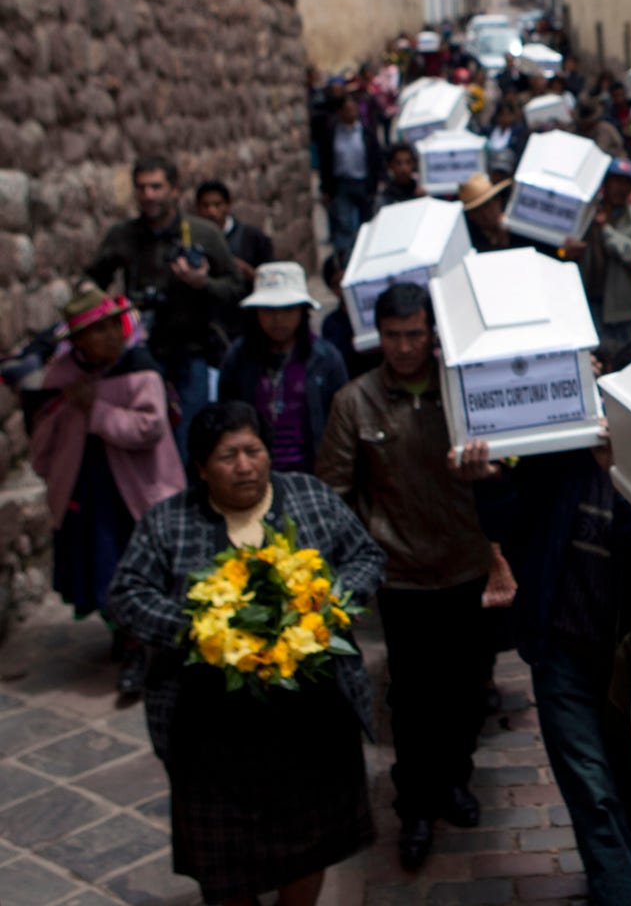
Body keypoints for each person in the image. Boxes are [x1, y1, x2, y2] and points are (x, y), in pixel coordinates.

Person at [106, 401, 383, 906]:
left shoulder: (310, 498)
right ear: (200, 469)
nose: (245, 465)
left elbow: (365, 555)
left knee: (310, 846)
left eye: (253, 450)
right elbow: (127, 595)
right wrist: (197, 630)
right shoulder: (168, 523)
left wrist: (329, 603)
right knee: (225, 869)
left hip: (310, 724)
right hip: (212, 733)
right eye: (227, 455)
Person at [315, 283, 495, 869]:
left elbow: (510, 469)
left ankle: (455, 780)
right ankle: (414, 806)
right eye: (393, 336)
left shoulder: (463, 392)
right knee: (414, 698)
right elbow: (334, 492)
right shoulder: (354, 402)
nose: (404, 346)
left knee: (467, 688)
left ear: (433, 333)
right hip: (401, 578)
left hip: (466, 565)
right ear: (378, 336)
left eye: (414, 334)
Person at [464, 431, 631, 904]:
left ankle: (611, 873)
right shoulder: (556, 453)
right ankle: (626, 895)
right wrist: (490, 483)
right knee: (590, 789)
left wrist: (623, 476)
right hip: (562, 652)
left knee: (624, 781)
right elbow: (509, 524)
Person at [30, 286, 186, 695]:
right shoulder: (63, 377)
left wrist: (95, 409)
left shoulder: (140, 368)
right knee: (98, 570)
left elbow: (149, 428)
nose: (108, 337)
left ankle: (138, 649)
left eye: (110, 328)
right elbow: (47, 428)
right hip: (89, 494)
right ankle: (124, 635)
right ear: (78, 341)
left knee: (133, 570)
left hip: (134, 494)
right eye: (94, 332)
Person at [87, 154, 247, 459]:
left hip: (193, 351)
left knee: (191, 440)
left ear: (174, 190)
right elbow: (92, 281)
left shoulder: (202, 234)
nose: (149, 195)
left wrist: (202, 284)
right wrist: (108, 308)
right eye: (142, 188)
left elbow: (236, 289)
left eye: (156, 187)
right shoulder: (123, 237)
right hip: (142, 353)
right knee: (147, 441)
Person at [216, 262, 348, 474]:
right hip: (255, 474)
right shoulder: (238, 358)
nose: (278, 320)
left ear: (302, 312)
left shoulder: (326, 359)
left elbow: (341, 423)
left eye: (288, 310)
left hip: (312, 472)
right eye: (269, 310)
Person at [577, 159, 631, 347]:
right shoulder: (587, 212)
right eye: (616, 182)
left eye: (627, 183)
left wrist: (606, 230)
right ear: (605, 183)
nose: (621, 188)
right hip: (588, 302)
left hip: (624, 307)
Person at [317, 94, 382, 245]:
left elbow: (375, 157)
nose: (352, 113)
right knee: (344, 223)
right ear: (340, 112)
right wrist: (325, 188)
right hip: (342, 184)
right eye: (347, 110)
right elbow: (325, 161)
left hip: (363, 183)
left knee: (366, 223)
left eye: (354, 109)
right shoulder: (332, 133)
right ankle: (345, 257)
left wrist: (377, 180)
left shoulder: (366, 132)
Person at [194, 180, 273, 283]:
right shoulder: (194, 239)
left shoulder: (253, 238)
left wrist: (251, 274)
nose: (211, 211)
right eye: (205, 206)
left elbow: (270, 279)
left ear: (228, 205)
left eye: (217, 205)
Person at [318, 250, 379, 379]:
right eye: (337, 284)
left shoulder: (380, 309)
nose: (344, 287)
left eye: (347, 279)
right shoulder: (332, 324)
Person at [459, 171, 536, 254]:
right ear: (470, 216)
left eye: (487, 205)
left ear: (498, 200)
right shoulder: (469, 242)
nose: (484, 214)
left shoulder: (522, 226)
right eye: (476, 211)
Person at [479, 95, 530, 167]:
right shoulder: (488, 131)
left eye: (508, 115)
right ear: (497, 116)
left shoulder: (519, 132)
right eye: (502, 115)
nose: (505, 118)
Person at [375, 143, 425, 211]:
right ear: (390, 165)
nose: (404, 168)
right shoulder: (385, 198)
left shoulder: (419, 194)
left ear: (414, 164)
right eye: (398, 163)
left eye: (408, 162)